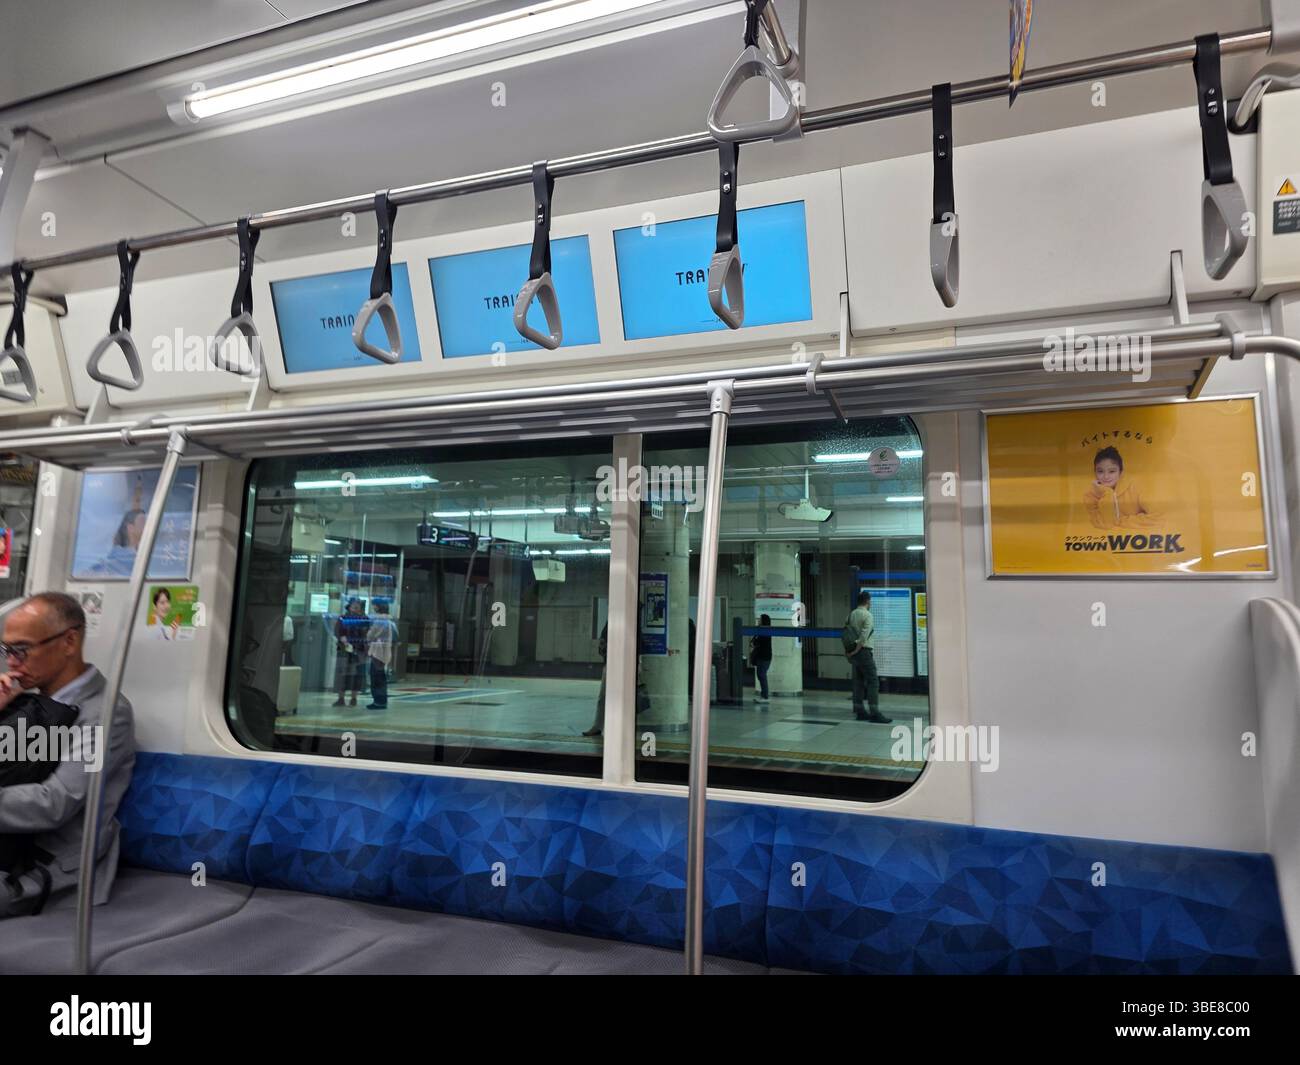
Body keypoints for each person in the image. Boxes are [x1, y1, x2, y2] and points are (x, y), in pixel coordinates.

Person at [0, 592, 136, 917]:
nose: (11, 662)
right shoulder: (22, 703)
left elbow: (57, 802)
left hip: (45, 866)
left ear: (69, 642)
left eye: (21, 650)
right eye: (6, 651)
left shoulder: (107, 714)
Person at [1083, 446, 1159, 530]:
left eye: (1112, 471)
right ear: (1095, 472)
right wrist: (1107, 493)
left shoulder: (1135, 487)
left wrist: (1121, 522)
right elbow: (1105, 524)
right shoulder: (1090, 495)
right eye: (1100, 471)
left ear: (1120, 472)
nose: (1106, 476)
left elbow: (1157, 516)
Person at [846, 590, 891, 724]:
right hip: (863, 652)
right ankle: (874, 713)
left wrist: (849, 652)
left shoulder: (851, 615)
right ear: (867, 601)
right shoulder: (868, 615)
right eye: (870, 601)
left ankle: (860, 712)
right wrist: (856, 651)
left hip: (853, 652)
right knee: (873, 681)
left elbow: (846, 635)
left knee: (859, 682)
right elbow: (864, 638)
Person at [333, 598, 369, 707]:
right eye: (353, 605)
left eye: (358, 605)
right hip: (345, 650)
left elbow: (367, 633)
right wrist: (343, 639)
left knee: (357, 675)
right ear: (349, 606)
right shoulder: (343, 618)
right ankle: (341, 698)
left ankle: (354, 698)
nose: (355, 607)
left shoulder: (364, 619)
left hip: (359, 650)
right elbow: (337, 631)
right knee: (342, 674)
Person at [366, 602, 398, 710]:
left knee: (376, 677)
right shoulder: (390, 621)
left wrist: (368, 636)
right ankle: (381, 700)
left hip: (377, 652)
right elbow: (395, 637)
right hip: (384, 652)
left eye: (375, 604)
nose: (373, 606)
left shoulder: (379, 620)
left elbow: (371, 635)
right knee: (380, 676)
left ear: (378, 607)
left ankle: (378, 701)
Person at [583, 622, 608, 738]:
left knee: (604, 697)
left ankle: (598, 726)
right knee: (603, 697)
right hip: (609, 662)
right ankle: (598, 726)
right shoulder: (610, 621)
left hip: (618, 663)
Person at [749, 613, 773, 705]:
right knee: (760, 675)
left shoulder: (766, 631)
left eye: (760, 619)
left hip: (764, 656)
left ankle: (765, 696)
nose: (758, 621)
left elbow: (757, 642)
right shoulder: (761, 630)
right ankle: (764, 695)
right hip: (761, 656)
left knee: (762, 675)